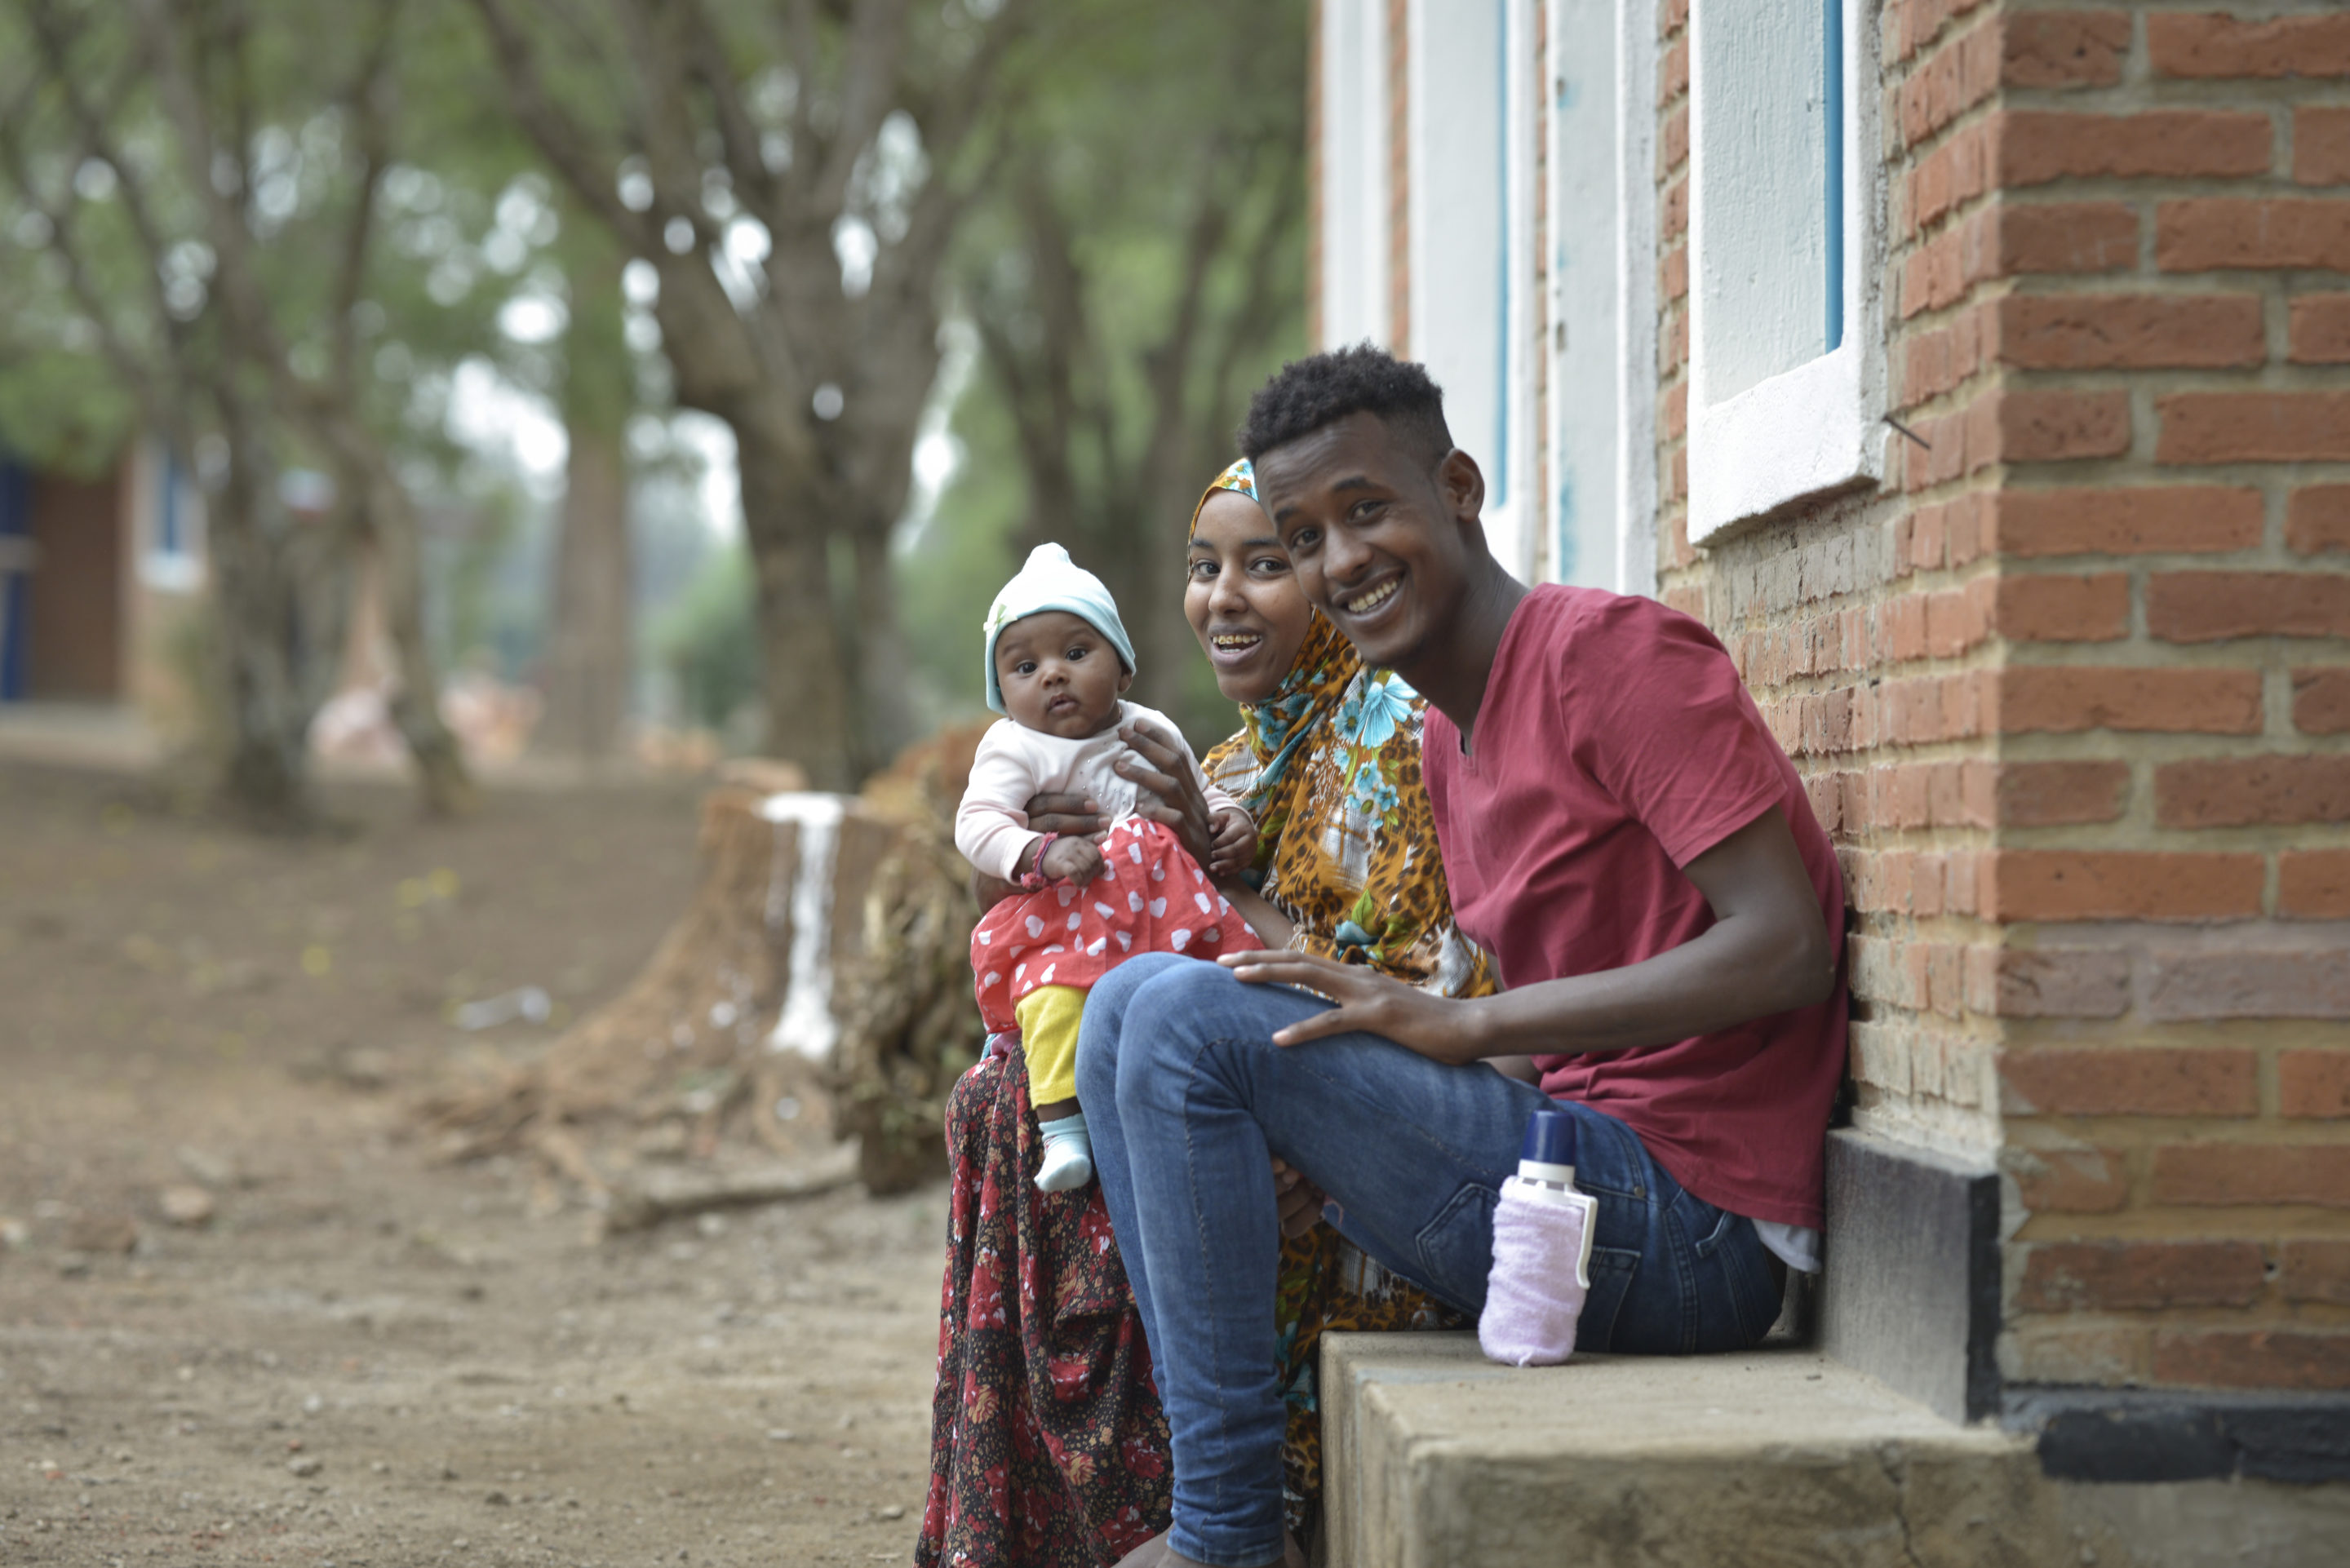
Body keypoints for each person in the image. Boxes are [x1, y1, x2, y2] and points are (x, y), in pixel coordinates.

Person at [1074, 347, 1848, 1568]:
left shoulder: (1613, 655)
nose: (1340, 561)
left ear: (1461, 488)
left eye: (1366, 509)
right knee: (1125, 1007)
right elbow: (1531, 1051)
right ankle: (1222, 1505)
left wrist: (1462, 1028)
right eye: (1303, 534)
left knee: (1178, 1017)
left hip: (1699, 1227)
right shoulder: (1449, 738)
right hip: (1562, 1177)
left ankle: (1225, 1537)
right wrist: (1359, 1081)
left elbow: (1788, 945)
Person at [916, 463, 1497, 1568]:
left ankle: (1175, 1508)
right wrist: (1031, 867)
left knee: (1091, 1079)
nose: (1224, 596)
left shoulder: (1398, 735)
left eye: (1266, 563)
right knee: (1004, 1093)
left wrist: (1285, 1114)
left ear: (1332, 579)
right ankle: (1045, 1518)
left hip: (1381, 1127)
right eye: (1203, 567)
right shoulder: (1216, 760)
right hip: (1231, 1095)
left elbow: (1433, 990)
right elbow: (1082, 947)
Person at [954, 543, 1261, 1192]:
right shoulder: (1013, 746)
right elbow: (976, 824)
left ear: (1122, 669)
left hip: (1160, 918)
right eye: (1025, 666)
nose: (1053, 676)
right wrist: (1036, 852)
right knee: (1051, 999)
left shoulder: (1148, 728)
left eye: (1075, 653)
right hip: (1066, 919)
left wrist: (1232, 819)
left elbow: (1203, 792)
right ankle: (1063, 1129)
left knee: (1224, 964)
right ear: (1001, 694)